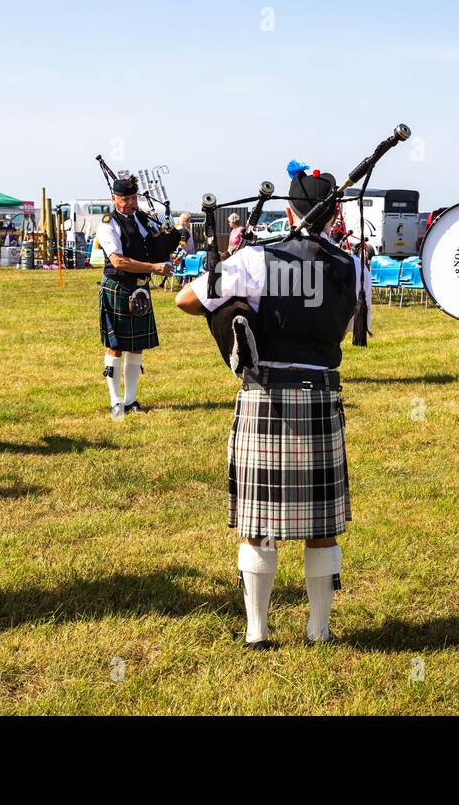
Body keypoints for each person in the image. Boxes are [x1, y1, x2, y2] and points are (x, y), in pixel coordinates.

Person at [175, 165, 370, 648]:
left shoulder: (257, 260)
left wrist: (233, 306)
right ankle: (318, 629)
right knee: (321, 524)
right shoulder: (354, 266)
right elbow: (347, 326)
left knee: (256, 521)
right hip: (321, 393)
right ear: (335, 213)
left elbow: (186, 299)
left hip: (265, 396)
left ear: (289, 210)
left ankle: (257, 631)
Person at [96, 176, 179, 418]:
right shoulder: (107, 224)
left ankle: (131, 400)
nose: (130, 203)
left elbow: (153, 249)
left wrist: (165, 258)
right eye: (124, 199)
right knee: (115, 347)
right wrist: (154, 268)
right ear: (114, 199)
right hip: (119, 287)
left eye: (133, 198)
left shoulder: (142, 219)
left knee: (137, 346)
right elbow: (118, 261)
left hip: (140, 289)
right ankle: (115, 402)